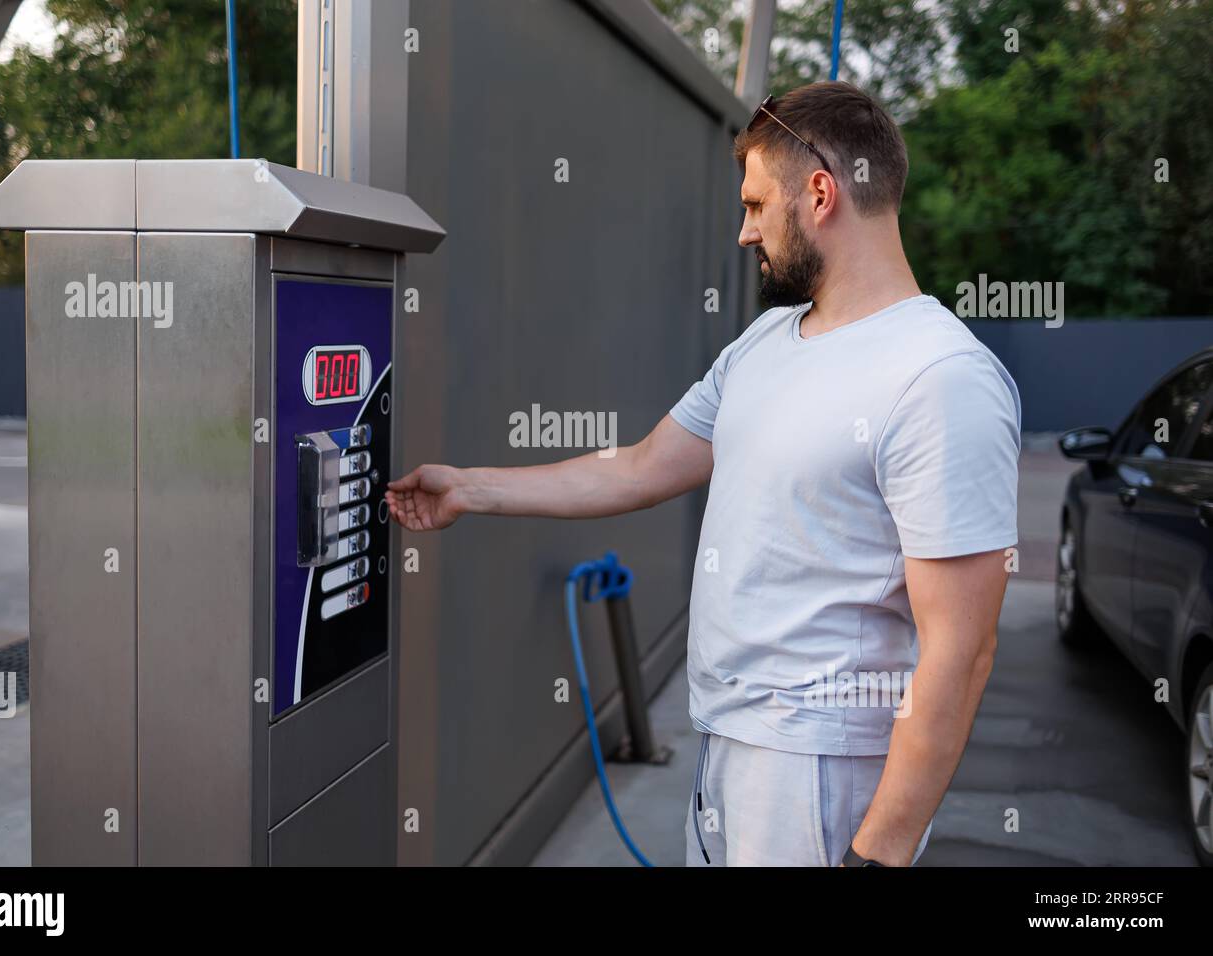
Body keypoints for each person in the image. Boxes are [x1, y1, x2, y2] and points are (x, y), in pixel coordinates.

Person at [384, 81, 1020, 867]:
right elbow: (642, 466)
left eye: (756, 203)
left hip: (820, 773)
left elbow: (961, 647)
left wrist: (879, 854)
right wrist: (471, 487)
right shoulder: (764, 345)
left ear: (820, 193)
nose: (746, 232)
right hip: (725, 744)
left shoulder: (939, 377)